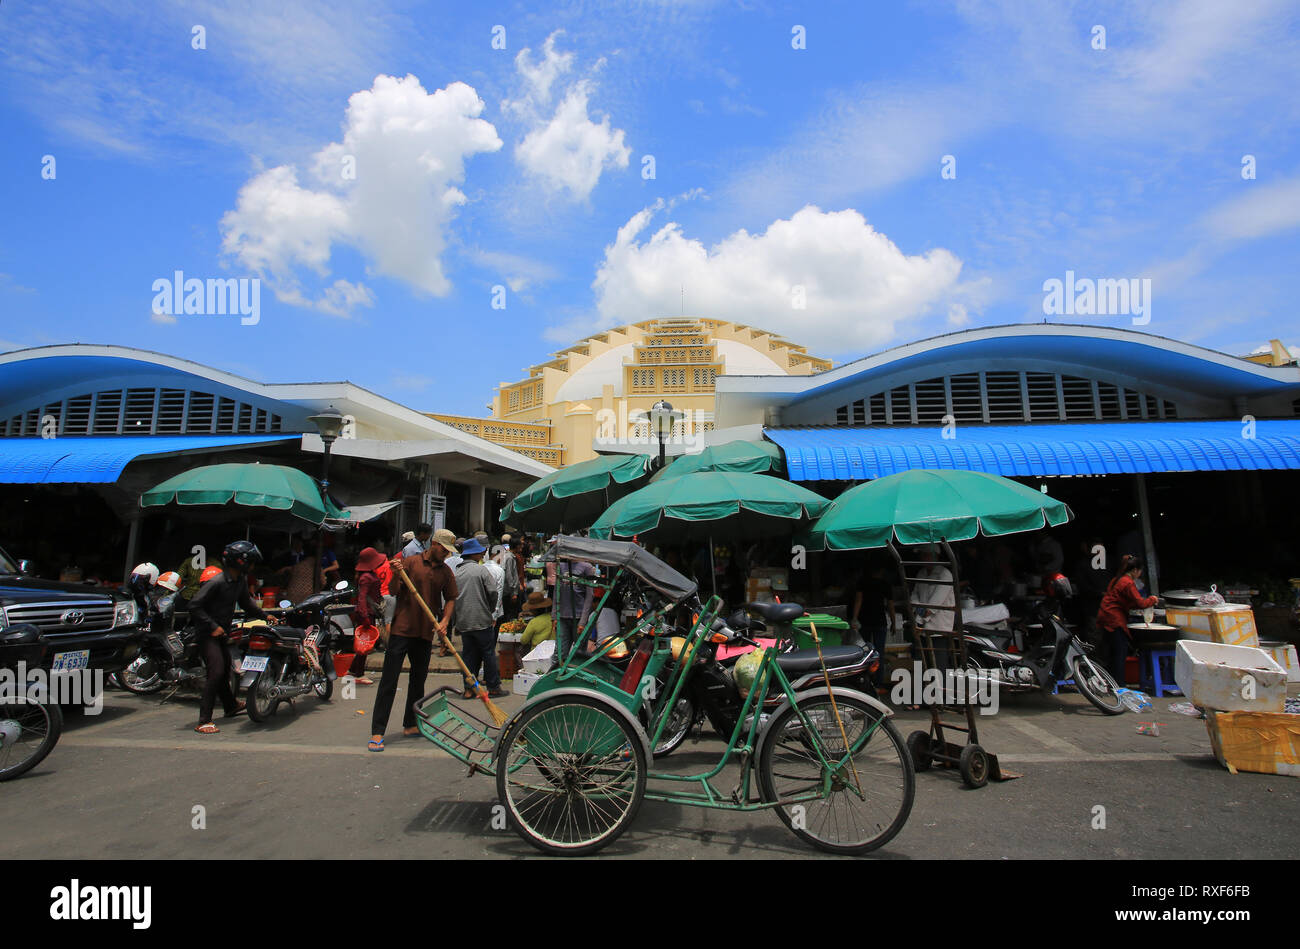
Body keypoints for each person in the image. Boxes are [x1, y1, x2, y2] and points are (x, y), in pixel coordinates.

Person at [369, 528, 458, 751]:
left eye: (449, 551)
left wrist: (445, 620)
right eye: (444, 550)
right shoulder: (411, 563)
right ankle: (378, 731)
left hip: (425, 632)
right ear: (434, 544)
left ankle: (411, 723)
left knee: (418, 680)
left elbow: (450, 599)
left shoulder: (446, 572)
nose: (446, 554)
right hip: (402, 629)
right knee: (389, 681)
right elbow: (392, 591)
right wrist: (397, 573)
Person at [188, 541, 271, 734]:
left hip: (223, 632)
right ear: (241, 562)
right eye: (250, 563)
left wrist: (266, 616)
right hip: (207, 634)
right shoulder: (217, 581)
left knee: (225, 669)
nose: (252, 567)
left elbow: (247, 604)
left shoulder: (239, 581)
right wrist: (213, 626)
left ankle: (230, 705)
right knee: (216, 672)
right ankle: (204, 720)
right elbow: (194, 605)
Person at [452, 537, 507, 699]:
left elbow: (452, 598)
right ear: (475, 554)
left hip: (464, 621)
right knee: (488, 653)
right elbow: (493, 593)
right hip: (482, 620)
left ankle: (469, 689)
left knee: (469, 655)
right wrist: (489, 610)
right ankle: (493, 686)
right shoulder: (481, 570)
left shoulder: (457, 573)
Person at [1096, 553, 1159, 685]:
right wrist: (1153, 599)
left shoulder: (1117, 579)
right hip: (1114, 619)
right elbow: (1140, 603)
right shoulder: (1127, 582)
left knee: (1111, 653)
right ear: (1135, 570)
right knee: (1119, 653)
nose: (1140, 574)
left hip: (1105, 616)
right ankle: (1119, 685)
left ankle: (1109, 682)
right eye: (1139, 571)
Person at [347, 546, 386, 685]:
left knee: (363, 644)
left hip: (368, 612)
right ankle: (359, 673)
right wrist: (365, 617)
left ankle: (353, 669)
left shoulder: (367, 576)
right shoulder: (366, 578)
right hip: (366, 613)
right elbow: (362, 598)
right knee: (364, 645)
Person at [555, 555, 595, 667]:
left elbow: (589, 596)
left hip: (578, 616)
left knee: (578, 654)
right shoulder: (561, 566)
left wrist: (583, 621)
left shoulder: (587, 567)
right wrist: (554, 616)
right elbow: (556, 592)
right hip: (562, 616)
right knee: (561, 653)